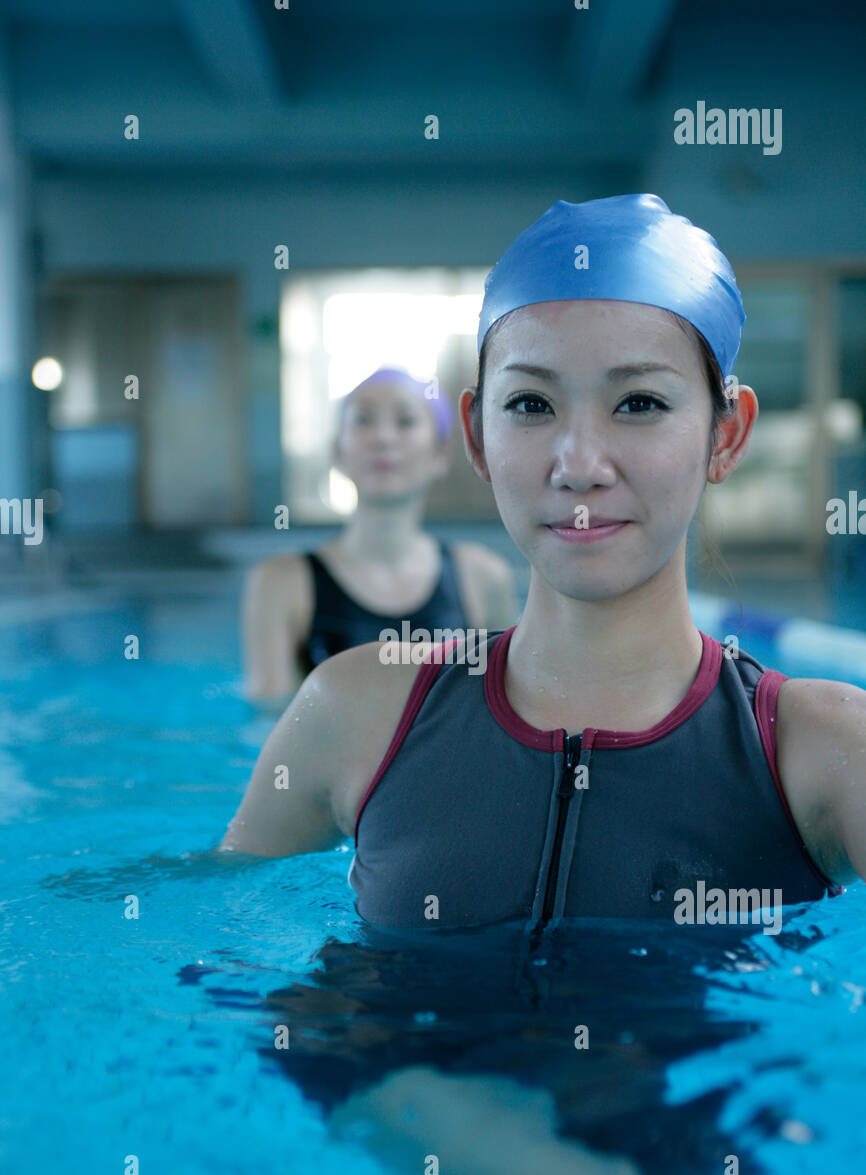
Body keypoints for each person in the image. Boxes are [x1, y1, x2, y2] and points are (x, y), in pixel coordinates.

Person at [222, 194, 866, 926]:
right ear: (475, 438)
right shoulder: (354, 710)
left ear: (726, 435)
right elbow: (208, 939)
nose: (580, 465)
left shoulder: (825, 750)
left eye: (640, 403)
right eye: (531, 404)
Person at [243, 366, 516, 700]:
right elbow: (268, 720)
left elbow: (502, 709)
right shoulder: (280, 583)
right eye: (363, 420)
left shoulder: (484, 576)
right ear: (337, 453)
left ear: (440, 454)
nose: (383, 438)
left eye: (405, 421)